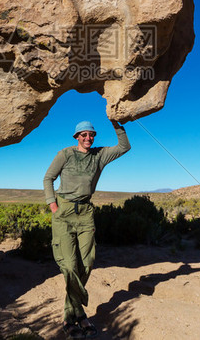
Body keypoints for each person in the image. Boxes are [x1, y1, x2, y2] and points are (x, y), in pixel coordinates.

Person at [43, 118, 130, 339]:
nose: (88, 138)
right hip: (63, 212)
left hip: (85, 213)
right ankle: (76, 315)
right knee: (70, 266)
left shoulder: (99, 156)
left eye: (91, 135)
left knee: (87, 263)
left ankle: (71, 316)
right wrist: (53, 205)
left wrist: (117, 122)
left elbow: (124, 147)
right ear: (76, 137)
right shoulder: (65, 154)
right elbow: (48, 178)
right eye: (83, 135)